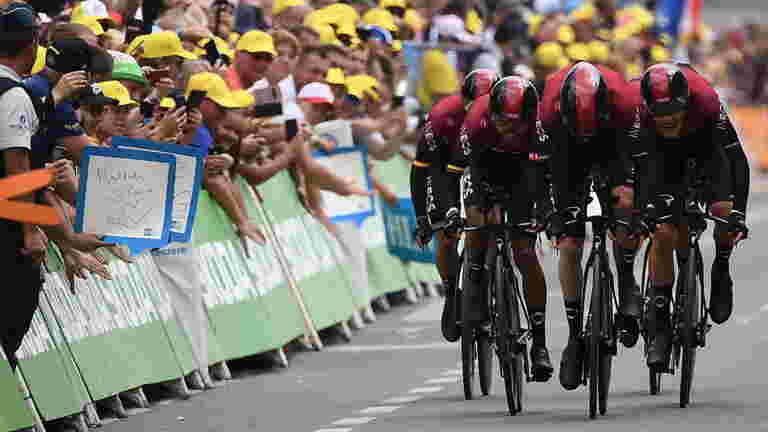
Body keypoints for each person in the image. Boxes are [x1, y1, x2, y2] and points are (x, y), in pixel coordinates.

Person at [633, 63, 750, 370]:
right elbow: (639, 167)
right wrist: (645, 207)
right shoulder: (641, 115)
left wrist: (739, 213)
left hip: (705, 150)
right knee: (663, 231)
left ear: (686, 103)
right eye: (661, 114)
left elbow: (737, 161)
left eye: (674, 111)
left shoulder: (708, 103)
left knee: (723, 212)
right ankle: (659, 323)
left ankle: (721, 266)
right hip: (663, 158)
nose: (668, 119)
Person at [540, 61, 641, 390]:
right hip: (566, 151)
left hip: (612, 145)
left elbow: (637, 158)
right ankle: (574, 335)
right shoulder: (549, 112)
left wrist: (630, 200)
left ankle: (626, 282)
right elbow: (544, 169)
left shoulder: (623, 103)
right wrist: (552, 212)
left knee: (623, 214)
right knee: (569, 244)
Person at [459, 76, 553, 381]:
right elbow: (466, 168)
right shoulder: (476, 120)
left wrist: (543, 211)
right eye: (501, 121)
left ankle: (539, 343)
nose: (507, 129)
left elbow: (542, 178)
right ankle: (475, 286)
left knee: (524, 251)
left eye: (515, 125)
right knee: (478, 222)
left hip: (524, 172)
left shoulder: (540, 125)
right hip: (484, 166)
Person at [410, 69, 499, 343]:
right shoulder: (441, 117)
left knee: (486, 219)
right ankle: (451, 291)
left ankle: (489, 274)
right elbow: (423, 169)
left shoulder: (504, 113)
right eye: (474, 105)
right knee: (446, 234)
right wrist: (424, 217)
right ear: (463, 99)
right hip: (444, 163)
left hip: (482, 163)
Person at [0, 1, 44, 371]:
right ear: (31, 45)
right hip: (6, 222)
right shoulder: (13, 95)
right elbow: (17, 167)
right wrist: (29, 231)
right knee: (19, 298)